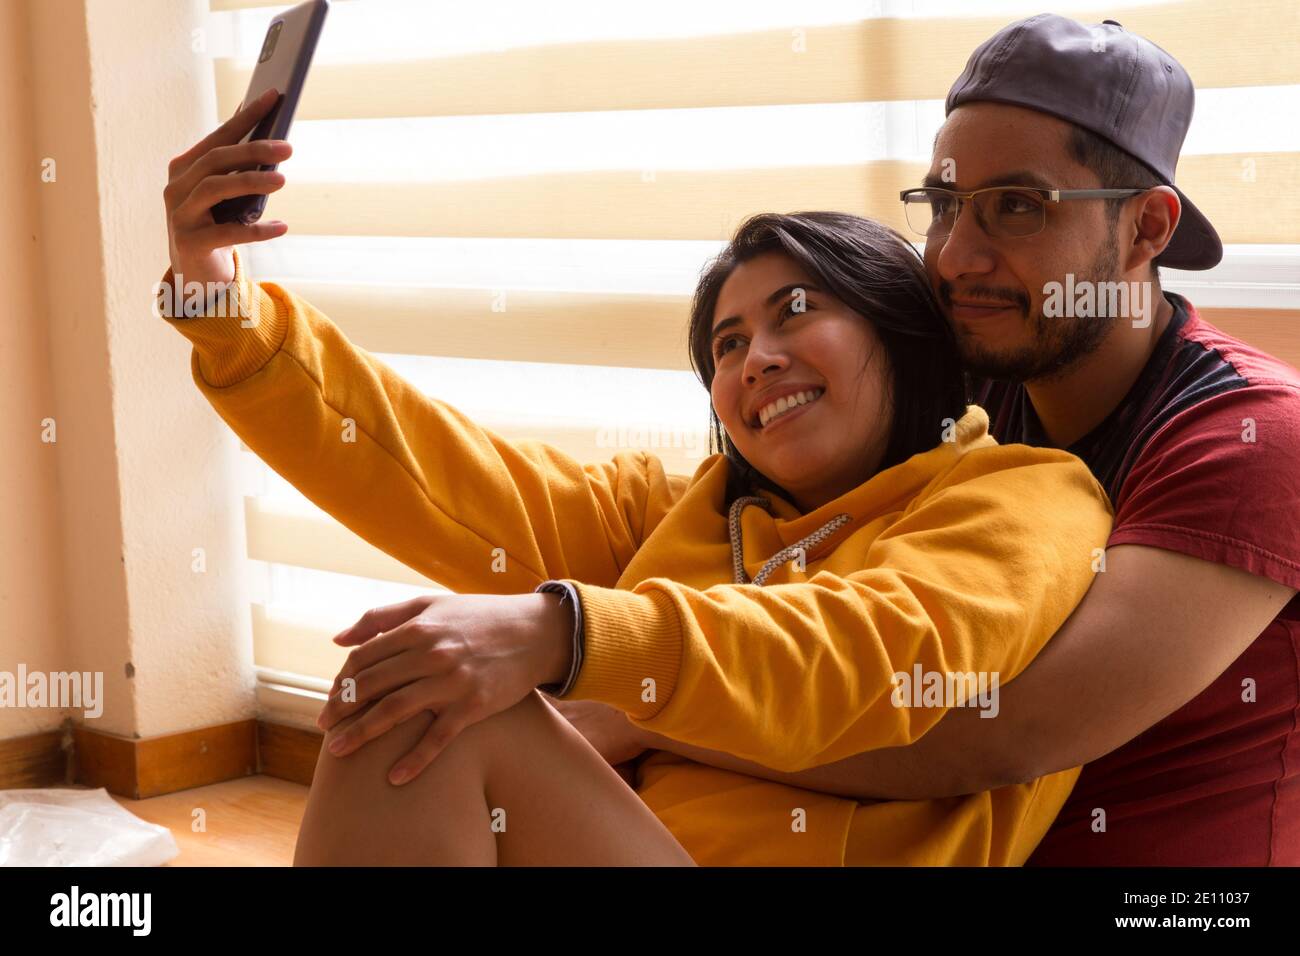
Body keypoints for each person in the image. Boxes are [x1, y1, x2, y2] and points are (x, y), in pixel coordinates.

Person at [158, 93, 1111, 864]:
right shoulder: (693, 513)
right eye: (728, 345)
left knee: (428, 713)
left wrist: (567, 634)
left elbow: (873, 655)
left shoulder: (1022, 493)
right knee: (403, 696)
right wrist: (216, 292)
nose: (756, 360)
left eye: (794, 313)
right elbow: (434, 471)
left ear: (898, 329)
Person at [642, 14, 1300, 866]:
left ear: (1146, 229)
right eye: (943, 207)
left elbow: (993, 734)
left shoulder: (1248, 438)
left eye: (1016, 208)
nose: (954, 257)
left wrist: (641, 706)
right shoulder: (977, 377)